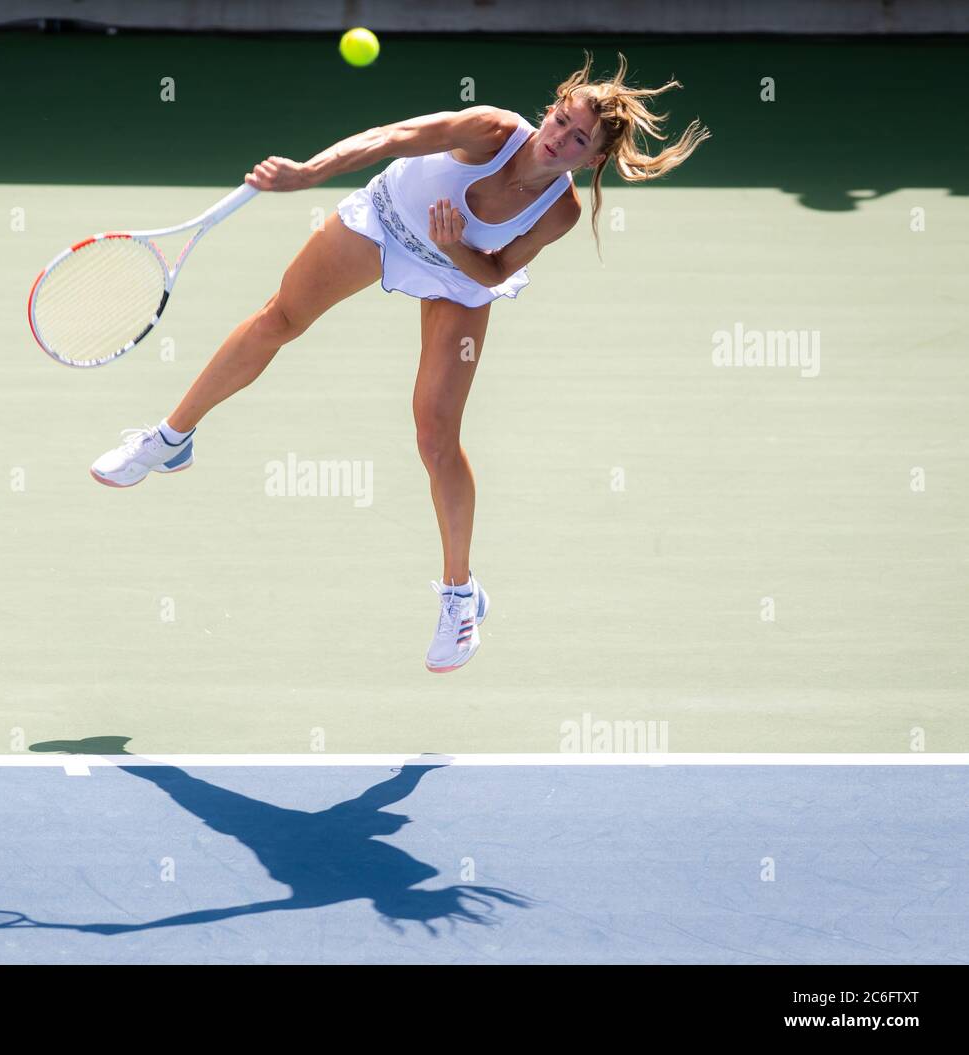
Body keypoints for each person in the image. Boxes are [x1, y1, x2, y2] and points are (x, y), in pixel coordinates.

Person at [90, 52, 710, 672]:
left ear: (594, 158)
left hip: (459, 274)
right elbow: (393, 137)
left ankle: (460, 596)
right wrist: (312, 171)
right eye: (559, 122)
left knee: (436, 437)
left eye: (578, 140)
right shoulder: (490, 130)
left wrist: (452, 246)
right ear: (548, 112)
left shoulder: (560, 212)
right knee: (279, 318)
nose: (559, 140)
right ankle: (170, 439)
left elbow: (493, 271)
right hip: (385, 222)